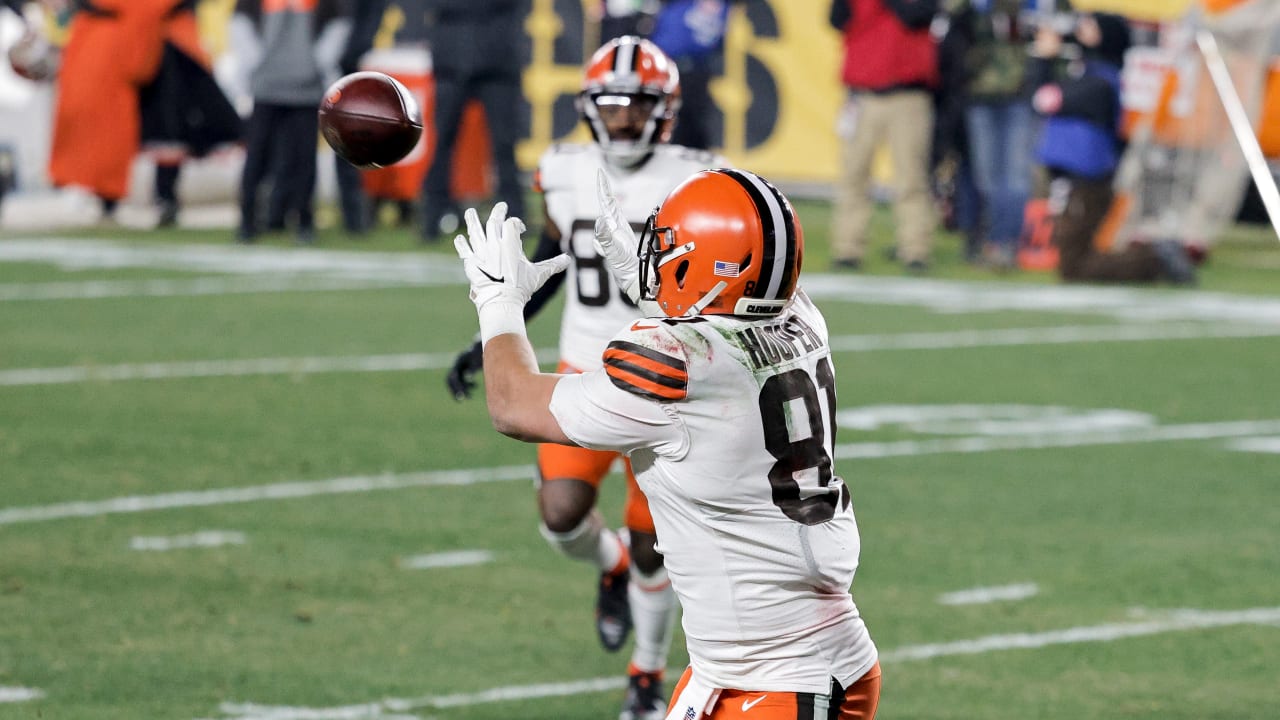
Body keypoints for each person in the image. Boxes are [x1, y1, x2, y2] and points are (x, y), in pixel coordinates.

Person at [451, 167, 882, 719]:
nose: (656, 259)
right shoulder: (802, 318)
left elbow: (512, 404)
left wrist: (498, 303)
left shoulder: (676, 365)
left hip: (785, 672)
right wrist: (648, 284)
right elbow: (726, 310)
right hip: (748, 661)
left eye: (670, 251)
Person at [445, 36, 726, 720]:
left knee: (654, 546)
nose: (623, 120)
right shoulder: (564, 169)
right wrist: (488, 334)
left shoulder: (698, 176)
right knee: (561, 514)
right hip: (582, 370)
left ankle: (645, 679)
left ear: (664, 111)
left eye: (636, 106)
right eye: (611, 105)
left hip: (664, 376)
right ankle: (610, 571)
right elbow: (552, 257)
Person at [1029, 11, 1195, 284]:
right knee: (1075, 260)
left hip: (1088, 180)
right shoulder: (1087, 73)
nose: (1081, 30)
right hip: (1077, 179)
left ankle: (1154, 258)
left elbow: (1045, 99)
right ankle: (1152, 257)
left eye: (1090, 26)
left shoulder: (1101, 81)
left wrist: (1045, 58)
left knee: (1074, 267)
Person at [828, 0, 940, 272]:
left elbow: (917, 14)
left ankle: (915, 249)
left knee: (910, 177)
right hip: (862, 93)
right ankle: (848, 248)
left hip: (907, 94)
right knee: (853, 174)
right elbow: (836, 19)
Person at [47, 0, 179, 221]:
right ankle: (90, 187)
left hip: (121, 38)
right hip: (104, 38)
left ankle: (106, 193)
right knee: (90, 118)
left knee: (113, 126)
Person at [232, 0, 349, 245]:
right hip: (266, 88)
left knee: (305, 159)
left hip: (306, 91)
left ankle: (304, 220)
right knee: (257, 157)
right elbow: (241, 23)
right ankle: (247, 221)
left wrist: (315, 63)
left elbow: (338, 23)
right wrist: (258, 63)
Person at [418, 0, 526, 242]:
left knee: (504, 146)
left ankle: (515, 218)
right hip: (455, 56)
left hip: (495, 58)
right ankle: (433, 215)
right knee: (442, 142)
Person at [949, 0, 1040, 270]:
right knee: (986, 177)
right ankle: (990, 240)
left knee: (1015, 175)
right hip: (979, 93)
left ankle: (1005, 243)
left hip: (1020, 94)